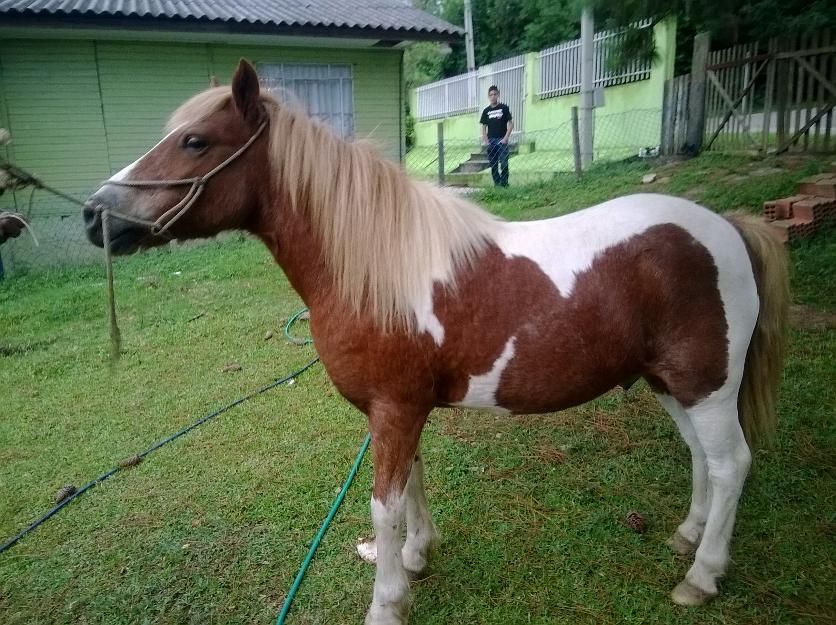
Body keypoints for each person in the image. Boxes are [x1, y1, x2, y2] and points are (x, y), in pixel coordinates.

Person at [479, 85, 513, 187]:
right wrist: (486, 141)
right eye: (491, 95)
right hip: (491, 141)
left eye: (494, 94)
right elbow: (483, 128)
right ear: (488, 97)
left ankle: (504, 184)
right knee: (493, 166)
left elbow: (511, 124)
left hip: (502, 141)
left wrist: (506, 138)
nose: (493, 96)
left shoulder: (504, 108)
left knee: (504, 164)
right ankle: (497, 185)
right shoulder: (486, 111)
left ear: (498, 95)